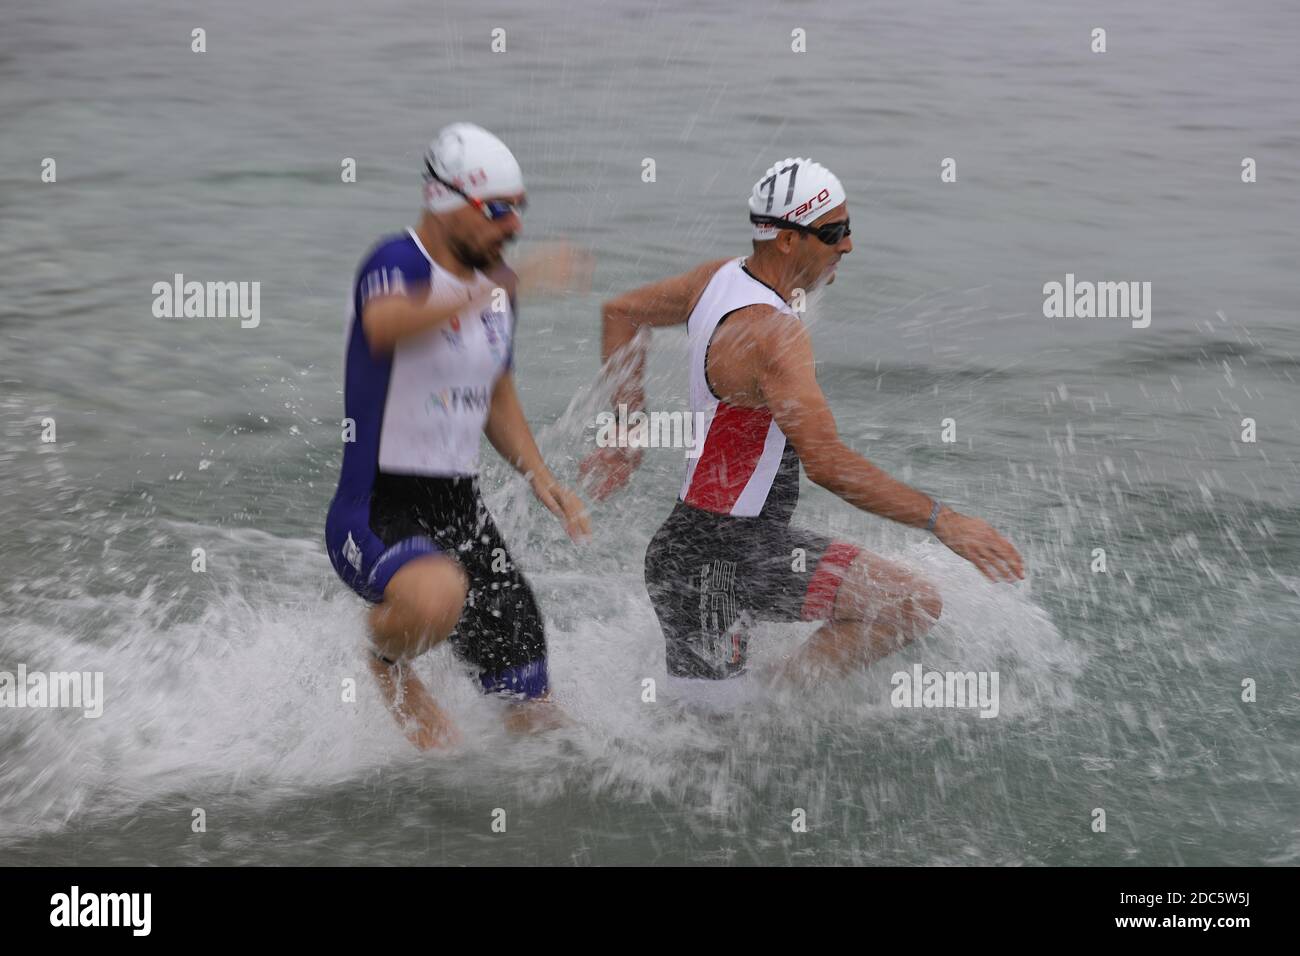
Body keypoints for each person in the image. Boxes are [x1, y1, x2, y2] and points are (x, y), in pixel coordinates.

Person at [580, 157, 1024, 689]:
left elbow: (622, 314)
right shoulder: (773, 334)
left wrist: (628, 435)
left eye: (848, 228)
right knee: (903, 606)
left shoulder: (717, 280)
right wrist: (944, 521)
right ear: (788, 241)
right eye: (833, 232)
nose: (848, 246)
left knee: (713, 738)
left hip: (708, 549)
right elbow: (829, 465)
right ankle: (772, 703)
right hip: (723, 561)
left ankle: (766, 706)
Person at [325, 122, 591, 749]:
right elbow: (385, 324)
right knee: (438, 594)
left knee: (541, 722)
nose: (514, 227)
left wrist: (542, 476)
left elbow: (495, 391)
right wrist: (497, 285)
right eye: (498, 210)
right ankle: (383, 657)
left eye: (519, 209)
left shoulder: (494, 285)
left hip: (460, 509)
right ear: (446, 202)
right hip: (375, 508)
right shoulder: (396, 261)